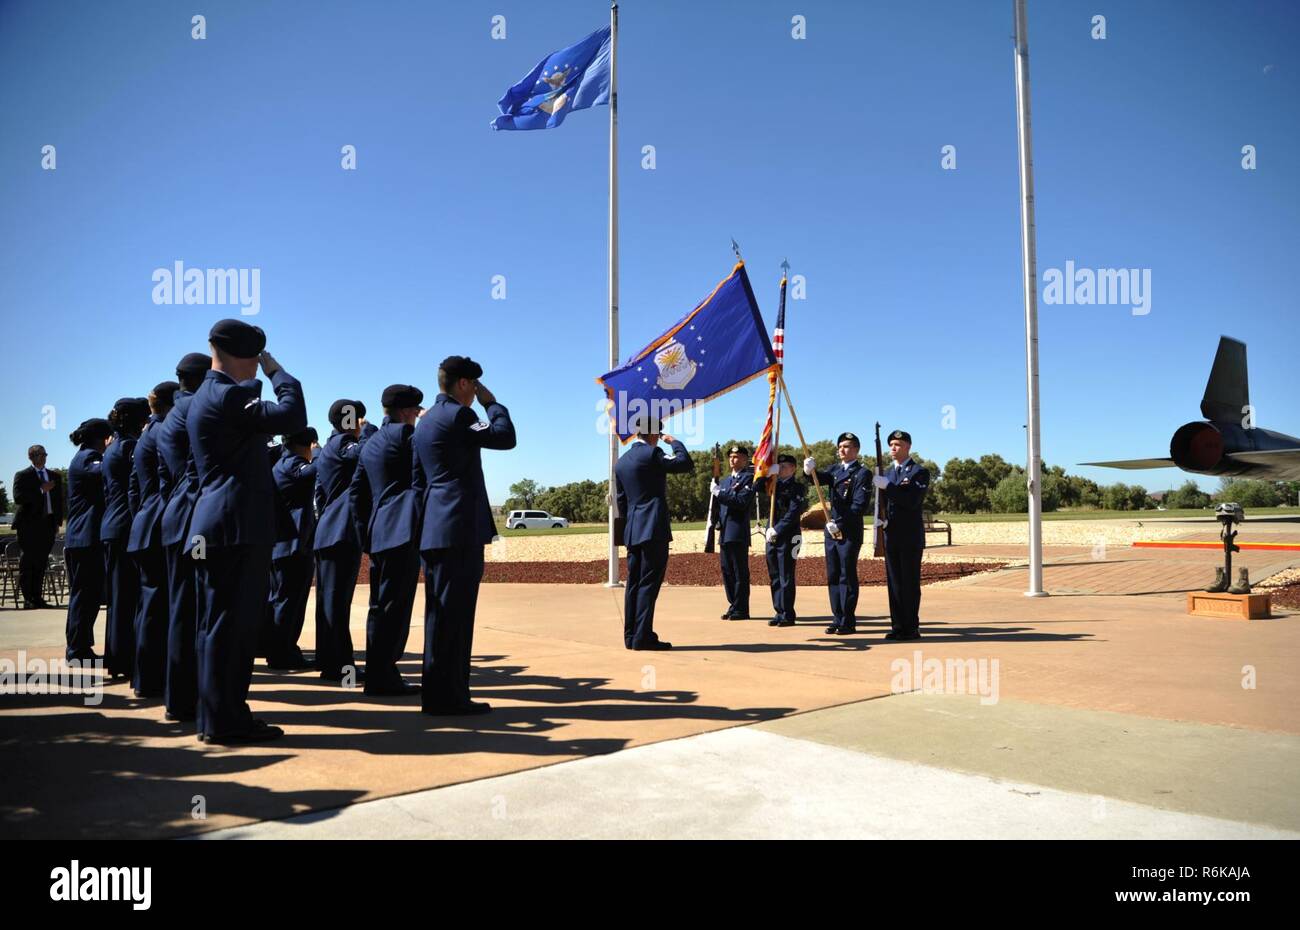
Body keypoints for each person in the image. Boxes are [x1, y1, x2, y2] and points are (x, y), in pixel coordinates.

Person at [187, 320, 305, 743]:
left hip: (217, 525)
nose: (259, 366)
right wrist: (279, 373)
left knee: (217, 627)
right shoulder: (229, 393)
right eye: (257, 358)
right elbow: (292, 415)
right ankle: (226, 721)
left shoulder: (205, 394)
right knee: (231, 629)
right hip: (235, 527)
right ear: (246, 356)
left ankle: (216, 717)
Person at [412, 357, 515, 715]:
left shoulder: (423, 424)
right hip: (458, 528)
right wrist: (492, 402)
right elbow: (505, 437)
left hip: (435, 528)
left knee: (439, 616)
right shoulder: (460, 415)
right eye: (474, 385)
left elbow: (418, 480)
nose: (475, 391)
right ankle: (451, 698)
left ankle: (437, 694)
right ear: (464, 384)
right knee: (455, 617)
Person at [349, 384, 425, 697]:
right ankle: (384, 675)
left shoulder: (370, 443)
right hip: (403, 530)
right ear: (408, 412)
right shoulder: (408, 437)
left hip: (379, 532)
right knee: (396, 606)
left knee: (379, 606)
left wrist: (365, 533)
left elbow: (357, 494)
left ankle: (379, 671)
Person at [156, 352, 212, 722]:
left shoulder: (171, 414)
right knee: (193, 612)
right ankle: (189, 698)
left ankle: (179, 696)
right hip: (194, 517)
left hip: (176, 515)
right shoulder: (194, 409)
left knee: (182, 610)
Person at [312, 399, 376, 683]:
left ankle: (328, 661)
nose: (362, 420)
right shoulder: (342, 445)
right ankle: (339, 666)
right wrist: (370, 429)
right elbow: (367, 454)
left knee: (330, 602)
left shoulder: (329, 446)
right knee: (337, 603)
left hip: (330, 531)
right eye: (358, 417)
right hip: (340, 532)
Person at [614, 417, 692, 651]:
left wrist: (628, 529)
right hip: (653, 528)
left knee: (634, 584)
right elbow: (684, 463)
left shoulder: (621, 462)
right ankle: (643, 637)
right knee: (649, 583)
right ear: (655, 434)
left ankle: (631, 635)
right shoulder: (652, 454)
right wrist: (675, 442)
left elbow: (622, 501)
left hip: (633, 530)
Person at [126, 382, 179, 697]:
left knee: (148, 607)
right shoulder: (164, 432)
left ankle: (144, 677)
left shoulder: (147, 434)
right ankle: (153, 679)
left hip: (145, 524)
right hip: (159, 525)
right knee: (160, 607)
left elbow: (134, 488)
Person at [101, 397, 150, 679]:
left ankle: (116, 656)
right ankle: (123, 659)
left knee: (118, 598)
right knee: (127, 597)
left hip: (112, 525)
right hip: (124, 526)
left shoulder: (113, 447)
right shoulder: (130, 446)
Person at [804, 432, 870, 634]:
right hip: (832, 532)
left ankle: (848, 620)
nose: (843, 450)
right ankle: (837, 617)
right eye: (840, 446)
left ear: (857, 450)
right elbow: (816, 479)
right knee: (833, 575)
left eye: (848, 446)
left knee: (846, 575)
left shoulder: (862, 473)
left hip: (848, 531)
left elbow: (859, 505)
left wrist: (838, 524)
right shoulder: (835, 470)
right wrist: (808, 471)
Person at [265, 427, 318, 670]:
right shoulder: (292, 464)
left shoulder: (281, 463)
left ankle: (285, 649)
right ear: (306, 445)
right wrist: (319, 453)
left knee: (285, 601)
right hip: (291, 547)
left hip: (285, 546)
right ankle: (281, 653)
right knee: (287, 602)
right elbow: (313, 472)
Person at [64, 418, 112, 661]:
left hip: (83, 536)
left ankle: (80, 646)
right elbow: (105, 471)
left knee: (87, 595)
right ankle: (77, 649)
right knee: (84, 595)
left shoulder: (84, 456)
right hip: (85, 537)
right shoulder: (88, 458)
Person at [875, 430, 929, 641]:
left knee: (909, 582)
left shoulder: (919, 472)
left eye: (897, 444)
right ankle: (897, 626)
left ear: (908, 447)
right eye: (890, 445)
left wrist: (888, 486)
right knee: (894, 583)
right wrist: (880, 519)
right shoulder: (887, 472)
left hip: (910, 536)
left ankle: (911, 628)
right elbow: (882, 503)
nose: (893, 448)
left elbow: (911, 501)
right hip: (890, 535)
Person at [11, 444, 64, 609]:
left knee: (41, 563)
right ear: (31, 458)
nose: (43, 457)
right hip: (28, 526)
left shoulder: (54, 476)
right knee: (28, 563)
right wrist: (40, 490)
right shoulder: (23, 476)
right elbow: (18, 497)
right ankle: (28, 599)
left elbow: (58, 501)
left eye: (44, 454)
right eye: (39, 455)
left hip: (47, 525)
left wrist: (57, 521)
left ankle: (38, 597)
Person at [764, 454, 807, 627]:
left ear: (793, 468)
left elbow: (794, 512)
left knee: (786, 575)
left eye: (784, 466)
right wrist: (768, 473)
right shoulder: (772, 484)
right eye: (779, 466)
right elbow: (756, 485)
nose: (781, 469)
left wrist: (778, 529)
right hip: (771, 536)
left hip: (789, 536)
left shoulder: (797, 487)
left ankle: (788, 613)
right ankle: (778, 610)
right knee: (774, 575)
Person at [713, 445, 755, 620]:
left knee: (739, 572)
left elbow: (741, 501)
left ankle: (741, 608)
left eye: (737, 457)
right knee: (727, 570)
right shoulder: (724, 481)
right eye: (731, 456)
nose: (733, 459)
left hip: (737, 531)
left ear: (745, 460)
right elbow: (718, 506)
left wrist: (719, 494)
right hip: (724, 531)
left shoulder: (749, 478)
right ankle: (733, 604)